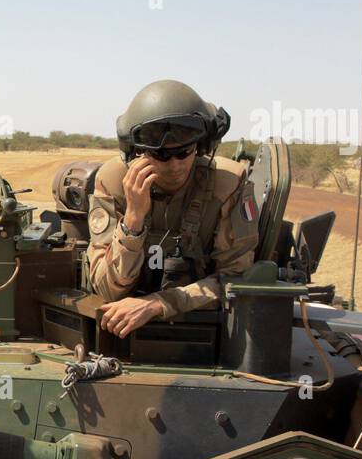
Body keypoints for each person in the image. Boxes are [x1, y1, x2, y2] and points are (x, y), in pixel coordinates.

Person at [85, 80, 260, 339]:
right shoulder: (113, 182)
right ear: (138, 153)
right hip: (121, 332)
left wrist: (159, 304)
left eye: (184, 152)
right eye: (161, 156)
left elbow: (235, 282)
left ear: (202, 147)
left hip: (202, 330)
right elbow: (108, 290)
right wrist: (133, 220)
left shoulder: (227, 184)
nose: (175, 165)